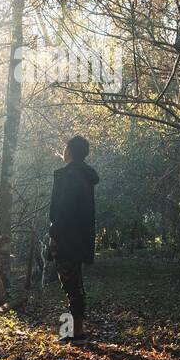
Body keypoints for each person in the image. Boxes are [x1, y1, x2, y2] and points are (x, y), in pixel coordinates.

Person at [48, 135, 99, 342]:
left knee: (71, 285)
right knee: (74, 284)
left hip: (68, 238)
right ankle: (76, 331)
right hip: (79, 237)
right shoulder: (83, 175)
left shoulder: (70, 176)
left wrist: (54, 235)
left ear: (69, 151)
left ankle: (76, 333)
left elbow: (64, 210)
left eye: (65, 147)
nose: (63, 150)